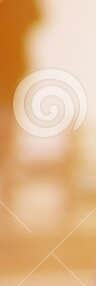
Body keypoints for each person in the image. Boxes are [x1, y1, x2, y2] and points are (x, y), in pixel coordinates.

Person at [0, 0, 42, 208]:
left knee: (8, 131)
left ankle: (7, 192)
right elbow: (37, 18)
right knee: (8, 131)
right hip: (13, 70)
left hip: (13, 71)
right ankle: (7, 191)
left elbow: (37, 17)